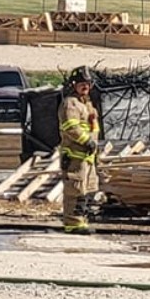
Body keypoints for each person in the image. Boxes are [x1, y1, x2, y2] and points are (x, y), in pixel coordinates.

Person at [57, 67, 100, 235]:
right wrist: (86, 141)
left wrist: (95, 147)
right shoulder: (70, 104)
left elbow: (93, 128)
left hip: (88, 156)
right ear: (73, 85)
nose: (85, 87)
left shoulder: (88, 105)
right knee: (74, 189)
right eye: (81, 84)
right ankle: (72, 223)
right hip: (75, 156)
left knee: (87, 190)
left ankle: (81, 220)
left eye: (87, 84)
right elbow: (70, 127)